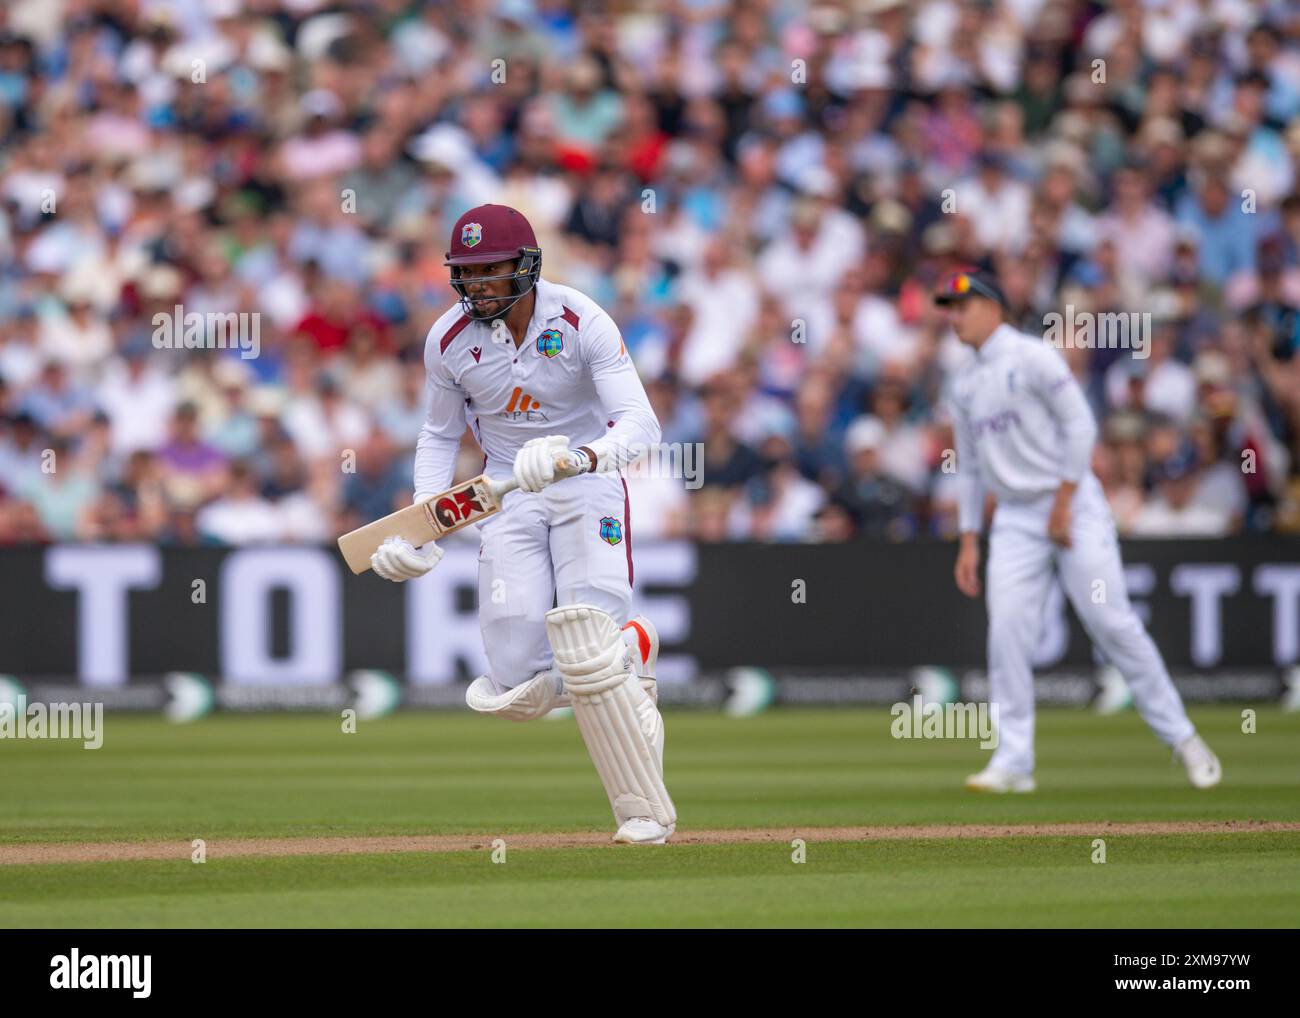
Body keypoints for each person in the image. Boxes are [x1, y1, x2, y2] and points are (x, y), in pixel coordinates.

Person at [368, 205, 675, 843]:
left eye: (491, 269)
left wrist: (579, 456)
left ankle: (641, 813)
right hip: (506, 489)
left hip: (585, 476)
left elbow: (641, 425)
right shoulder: (447, 340)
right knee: (514, 684)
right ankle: (629, 654)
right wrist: (423, 525)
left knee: (586, 640)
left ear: (526, 265)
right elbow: (437, 434)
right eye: (467, 272)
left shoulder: (581, 318)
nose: (478, 284)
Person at [939, 269, 1221, 792]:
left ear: (991, 308)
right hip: (1019, 519)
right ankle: (1013, 762)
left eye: (962, 306)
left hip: (1073, 499)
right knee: (1007, 633)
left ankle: (1184, 739)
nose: (953, 317)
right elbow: (971, 468)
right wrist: (969, 539)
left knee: (1111, 622)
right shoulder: (964, 383)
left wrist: (1065, 503)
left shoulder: (1033, 357)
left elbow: (1082, 426)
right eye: (949, 309)